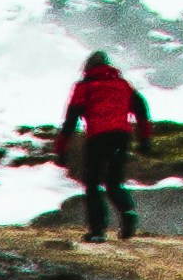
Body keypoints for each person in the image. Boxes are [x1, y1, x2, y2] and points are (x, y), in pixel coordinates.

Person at [56, 49, 155, 239]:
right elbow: (142, 109)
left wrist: (61, 149)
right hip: (121, 137)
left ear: (88, 67)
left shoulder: (84, 87)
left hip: (98, 137)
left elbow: (70, 120)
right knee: (113, 182)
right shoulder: (123, 85)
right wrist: (145, 139)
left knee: (93, 183)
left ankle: (98, 230)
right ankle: (127, 212)